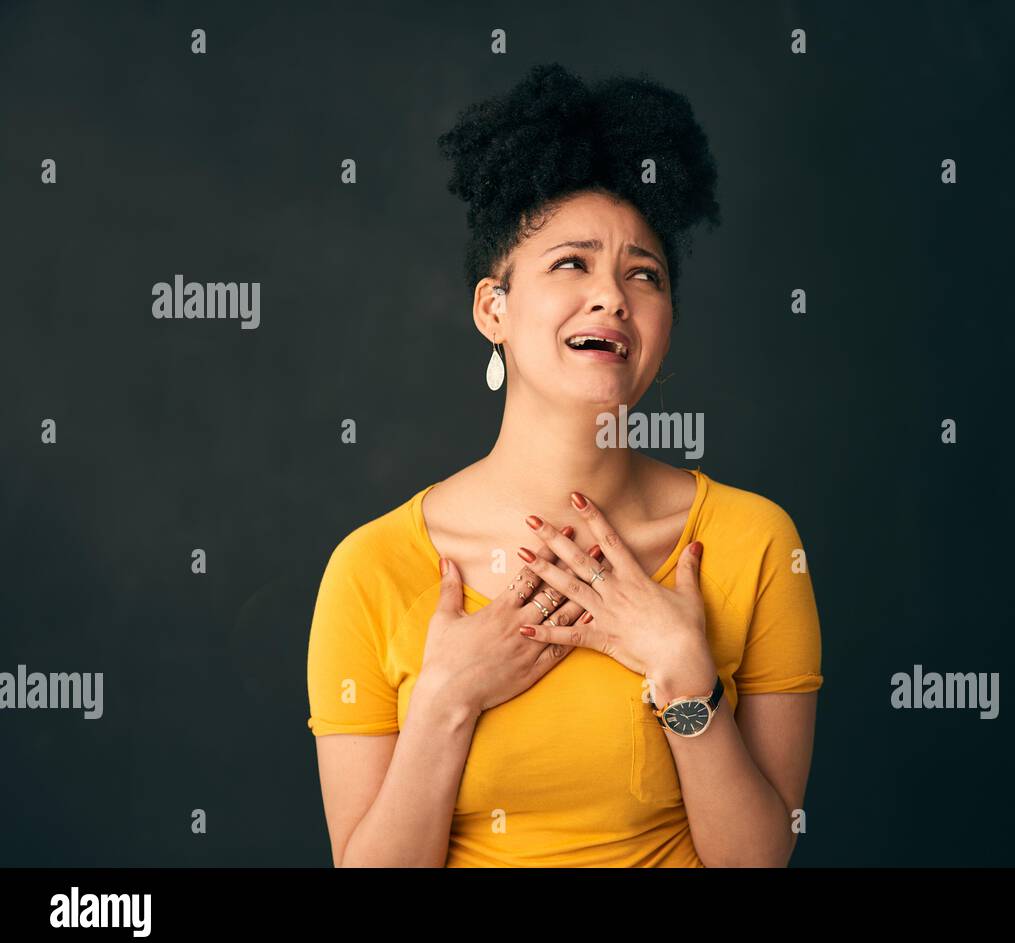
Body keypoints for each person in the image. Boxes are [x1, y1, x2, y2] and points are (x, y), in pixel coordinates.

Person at [306, 63, 823, 867]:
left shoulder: (755, 541)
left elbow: (757, 861)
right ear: (494, 309)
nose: (612, 297)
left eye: (642, 275)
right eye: (572, 263)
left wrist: (685, 679)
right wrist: (447, 695)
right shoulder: (371, 568)